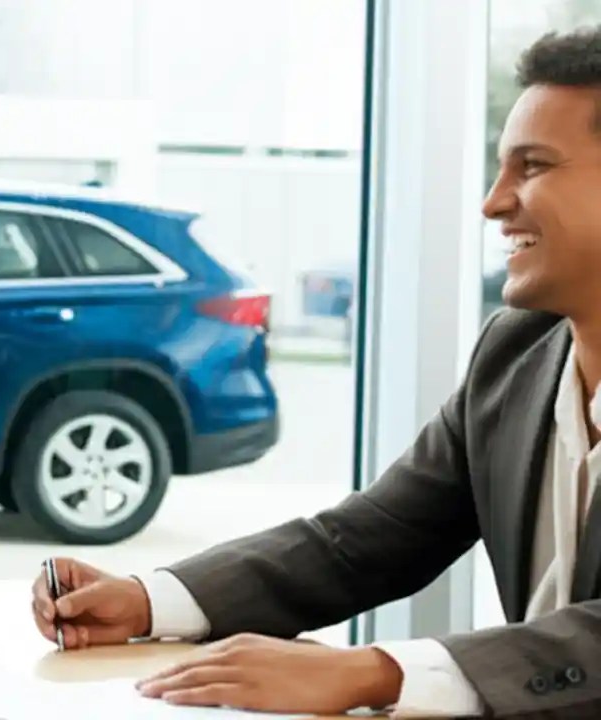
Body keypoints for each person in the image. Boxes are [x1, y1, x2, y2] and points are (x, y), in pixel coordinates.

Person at [32, 26, 601, 720]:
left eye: (533, 167)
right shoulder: (516, 355)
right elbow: (365, 539)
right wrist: (153, 598)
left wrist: (377, 672)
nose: (494, 202)